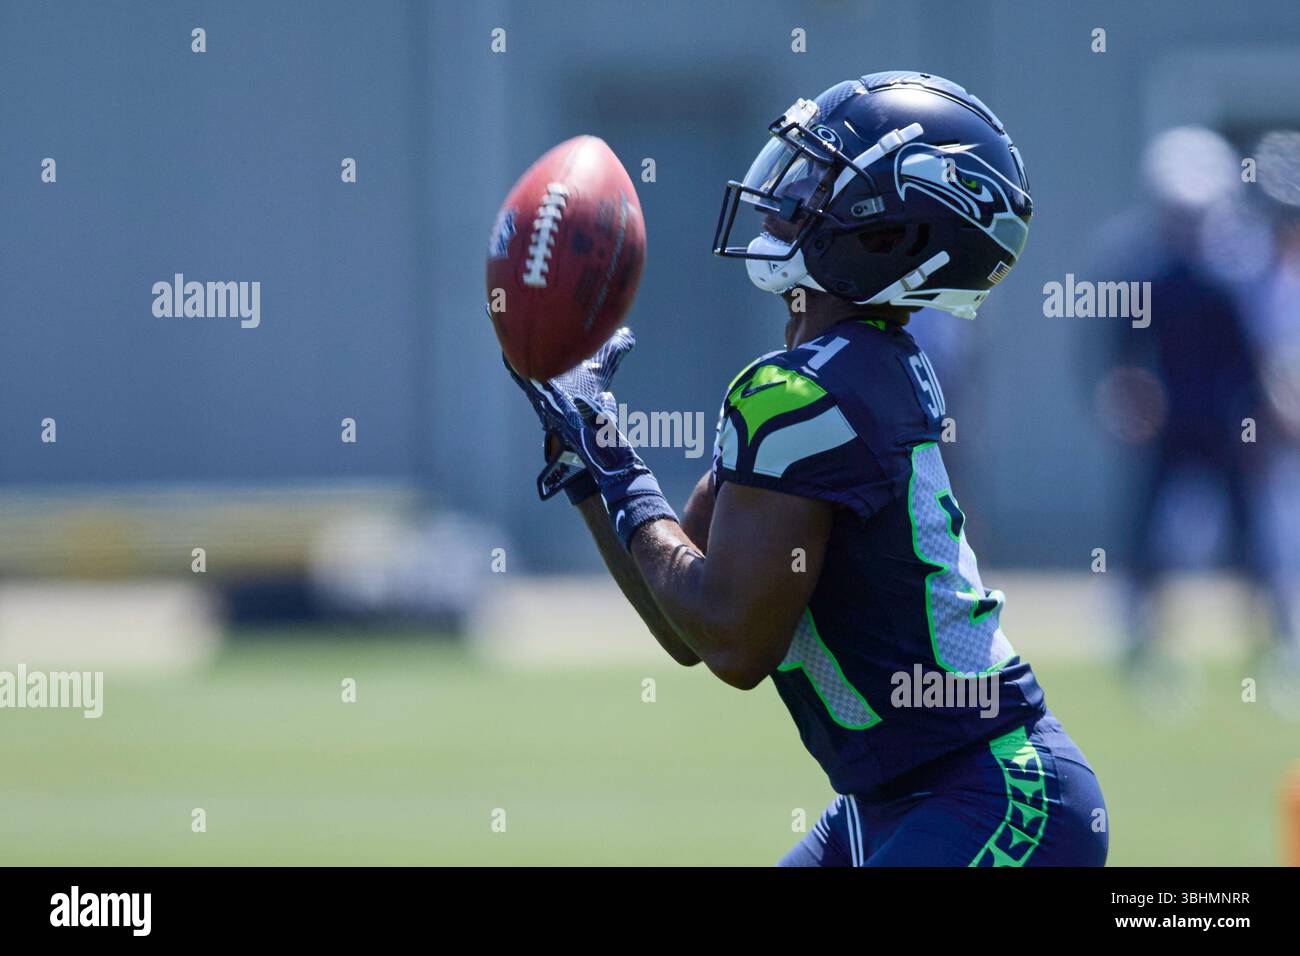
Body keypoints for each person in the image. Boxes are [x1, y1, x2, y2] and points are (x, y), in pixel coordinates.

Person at [507, 72, 1107, 866]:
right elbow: (686, 618)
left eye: (819, 177)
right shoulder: (845, 370)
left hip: (985, 793)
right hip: (896, 799)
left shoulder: (807, 390)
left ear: (886, 230)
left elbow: (731, 642)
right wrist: (591, 467)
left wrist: (614, 463)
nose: (782, 194)